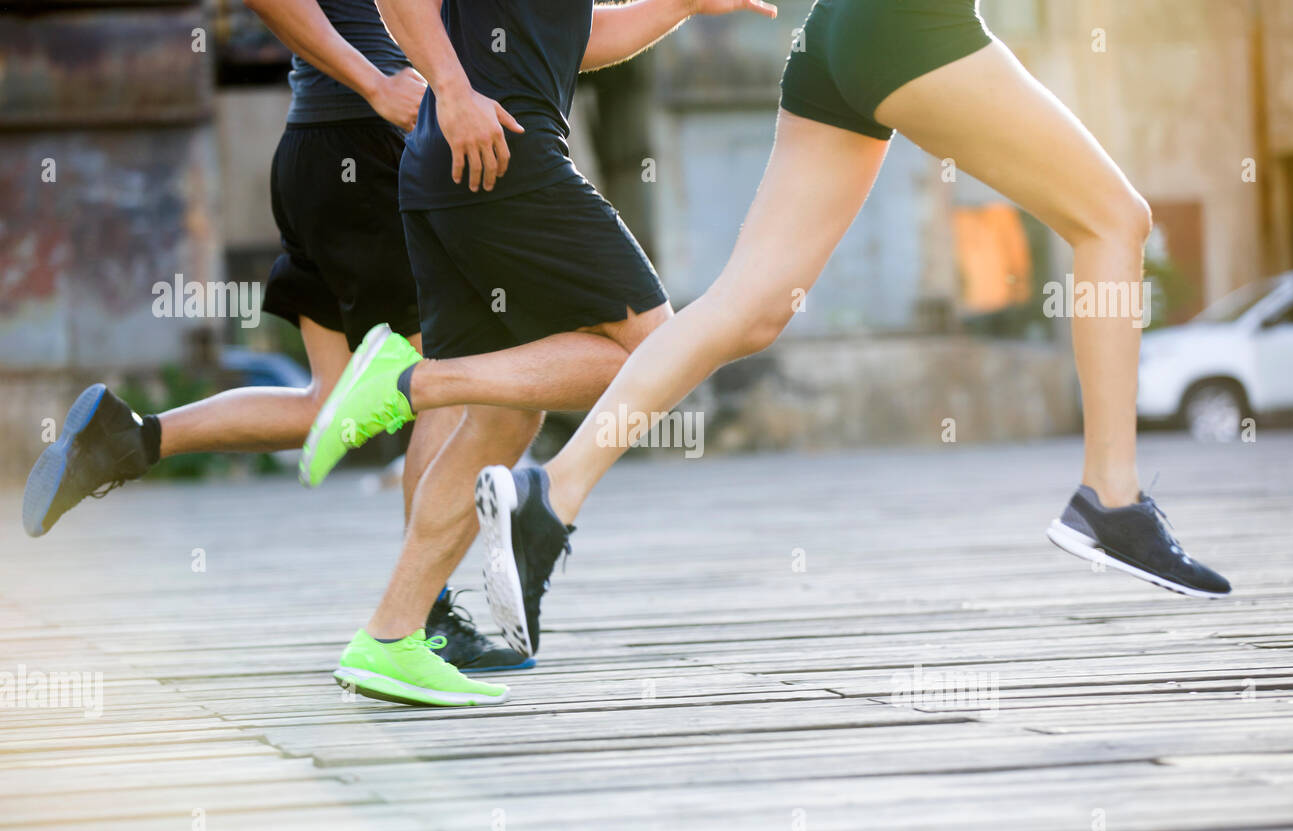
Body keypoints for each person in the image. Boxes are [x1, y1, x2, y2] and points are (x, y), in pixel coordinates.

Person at [469, 0, 1232, 655]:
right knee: (1115, 221)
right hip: (911, 28)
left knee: (749, 305)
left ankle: (550, 497)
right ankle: (1112, 497)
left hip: (837, 35)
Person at [20, 0, 510, 705]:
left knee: (335, 398)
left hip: (324, 147)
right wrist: (377, 83)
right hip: (365, 141)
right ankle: (421, 620)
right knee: (440, 377)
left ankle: (126, 440)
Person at [300, 0, 779, 698]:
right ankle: (415, 383)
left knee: (501, 420)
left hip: (459, 163)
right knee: (656, 349)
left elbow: (573, 39)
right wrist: (456, 91)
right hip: (503, 155)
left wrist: (683, 4)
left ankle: (390, 637)